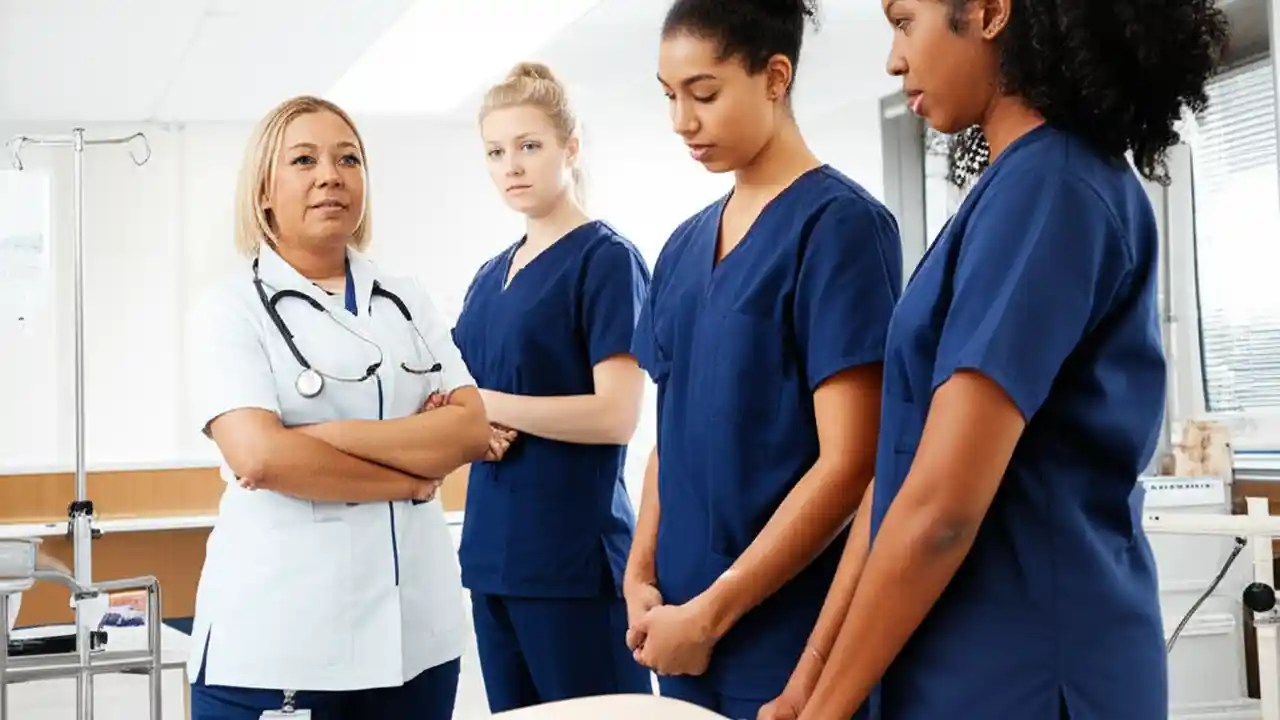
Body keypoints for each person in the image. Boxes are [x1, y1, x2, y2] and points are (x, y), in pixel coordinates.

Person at [759, 0, 1231, 718]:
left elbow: (941, 508)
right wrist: (812, 680)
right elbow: (901, 478)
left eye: (904, 22)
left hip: (1032, 673)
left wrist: (828, 708)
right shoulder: (1011, 190)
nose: (893, 59)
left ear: (988, 11)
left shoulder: (1052, 188)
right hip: (970, 665)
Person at [624, 0, 903, 716]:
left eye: (703, 93)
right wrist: (640, 572)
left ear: (775, 77)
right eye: (669, 96)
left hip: (783, 638)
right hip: (677, 632)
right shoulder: (681, 248)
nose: (681, 120)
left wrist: (712, 613)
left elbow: (851, 464)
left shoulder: (840, 228)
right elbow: (670, 439)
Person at [184, 95, 490, 720]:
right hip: (285, 645)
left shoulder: (406, 300)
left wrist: (322, 437)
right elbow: (259, 457)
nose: (331, 175)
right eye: (304, 160)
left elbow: (469, 427)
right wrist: (411, 477)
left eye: (348, 159)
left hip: (417, 644)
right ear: (264, 190)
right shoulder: (229, 308)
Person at [451, 62, 655, 712]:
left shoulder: (606, 260)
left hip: (571, 561)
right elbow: (456, 395)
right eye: (495, 152)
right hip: (493, 559)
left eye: (529, 146)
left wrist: (490, 406)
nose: (511, 166)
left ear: (570, 148)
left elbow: (616, 415)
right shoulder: (489, 276)